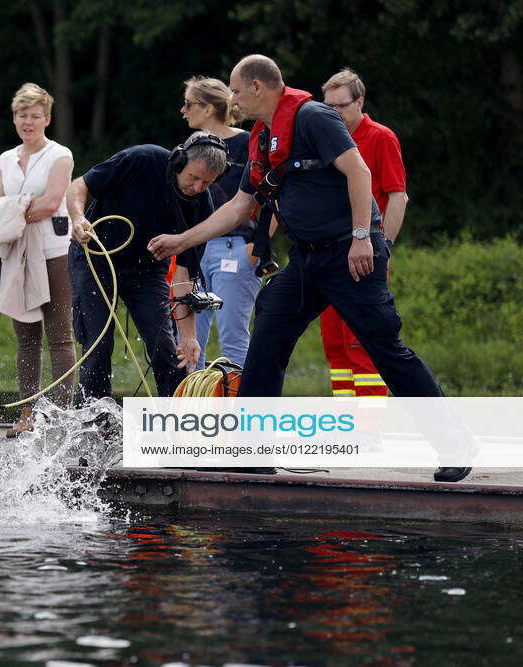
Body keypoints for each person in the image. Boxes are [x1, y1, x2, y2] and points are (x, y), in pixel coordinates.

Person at [147, 55, 468, 483]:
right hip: (307, 259)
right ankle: (251, 451)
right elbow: (241, 205)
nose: (234, 100)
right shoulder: (262, 136)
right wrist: (182, 241)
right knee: (270, 329)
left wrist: (361, 237)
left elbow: (359, 171)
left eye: (237, 91)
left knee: (383, 348)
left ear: (258, 87)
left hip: (350, 254)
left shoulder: (313, 116)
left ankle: (454, 445)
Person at [67, 131, 228, 401]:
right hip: (96, 257)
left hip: (148, 270)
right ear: (179, 161)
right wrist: (77, 218)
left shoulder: (201, 205)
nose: (198, 187)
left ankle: (174, 420)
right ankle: (91, 425)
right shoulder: (142, 159)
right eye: (193, 177)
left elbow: (185, 274)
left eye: (207, 182)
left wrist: (188, 337)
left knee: (165, 347)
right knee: (99, 343)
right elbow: (79, 185)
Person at [0, 83, 76, 438]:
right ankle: (28, 413)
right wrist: (21, 209)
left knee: (60, 335)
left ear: (47, 119)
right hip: (16, 252)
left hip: (54, 251)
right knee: (26, 337)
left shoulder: (60, 155)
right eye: (22, 115)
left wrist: (13, 210)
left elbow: (51, 202)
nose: (28, 121)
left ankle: (61, 416)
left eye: (34, 115)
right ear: (14, 119)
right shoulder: (5, 160)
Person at [319, 68, 409, 398]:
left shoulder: (380, 137)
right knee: (335, 347)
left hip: (364, 253)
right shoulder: (326, 138)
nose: (334, 113)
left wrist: (384, 246)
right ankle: (347, 425)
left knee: (362, 343)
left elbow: (398, 195)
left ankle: (368, 429)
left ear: (360, 102)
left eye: (341, 106)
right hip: (329, 255)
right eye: (328, 106)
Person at [180, 76, 262, 371]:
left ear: (208, 108)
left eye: (188, 104)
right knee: (188, 338)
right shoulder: (190, 146)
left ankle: (236, 411)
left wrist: (260, 244)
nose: (183, 110)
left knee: (233, 337)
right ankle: (192, 411)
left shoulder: (246, 142)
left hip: (235, 247)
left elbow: (270, 194)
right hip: (196, 251)